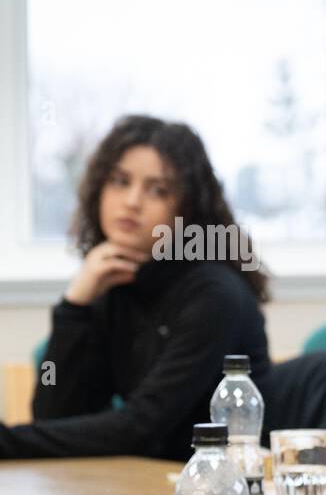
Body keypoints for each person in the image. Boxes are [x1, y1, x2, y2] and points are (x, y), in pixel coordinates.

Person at [0, 114, 270, 460]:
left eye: (158, 190)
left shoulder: (215, 295)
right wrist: (75, 304)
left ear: (188, 209)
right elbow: (55, 416)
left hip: (224, 494)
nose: (132, 201)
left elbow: (141, 427)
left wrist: (8, 442)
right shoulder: (115, 283)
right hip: (141, 485)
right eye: (120, 181)